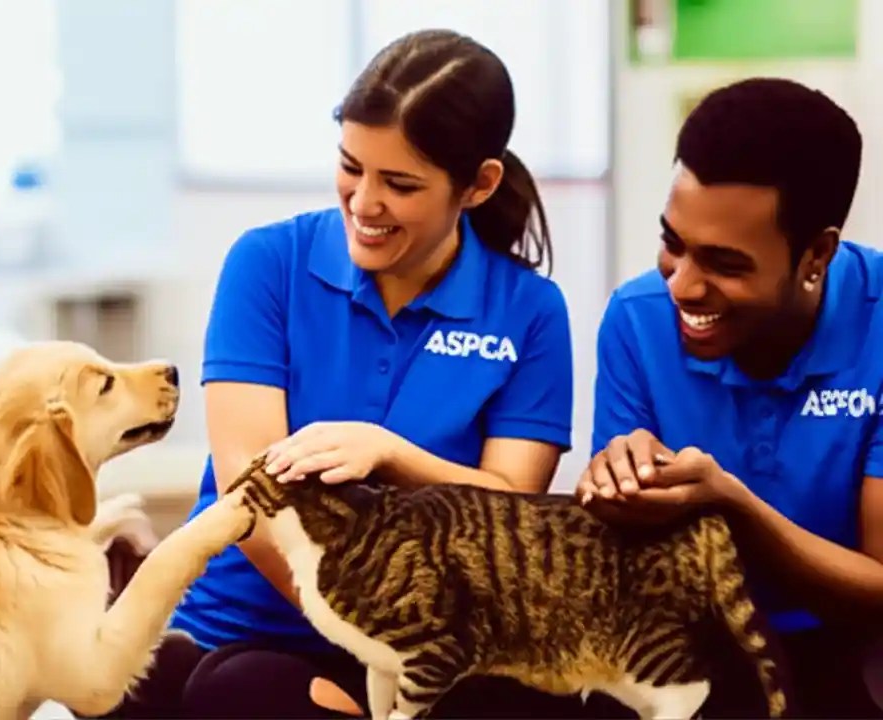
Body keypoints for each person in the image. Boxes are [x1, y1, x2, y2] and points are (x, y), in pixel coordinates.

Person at [107, 29, 577, 719]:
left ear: (478, 185)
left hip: (429, 646)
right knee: (213, 686)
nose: (363, 202)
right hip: (239, 627)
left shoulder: (530, 312)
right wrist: (359, 626)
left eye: (400, 184)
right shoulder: (269, 263)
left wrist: (390, 453)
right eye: (352, 166)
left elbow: (509, 511)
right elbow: (249, 490)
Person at [578, 77, 883, 717]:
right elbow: (626, 566)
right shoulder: (636, 320)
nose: (683, 286)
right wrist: (613, 488)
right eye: (672, 243)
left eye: (725, 263)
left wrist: (735, 507)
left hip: (857, 647)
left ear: (816, 254)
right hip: (692, 642)